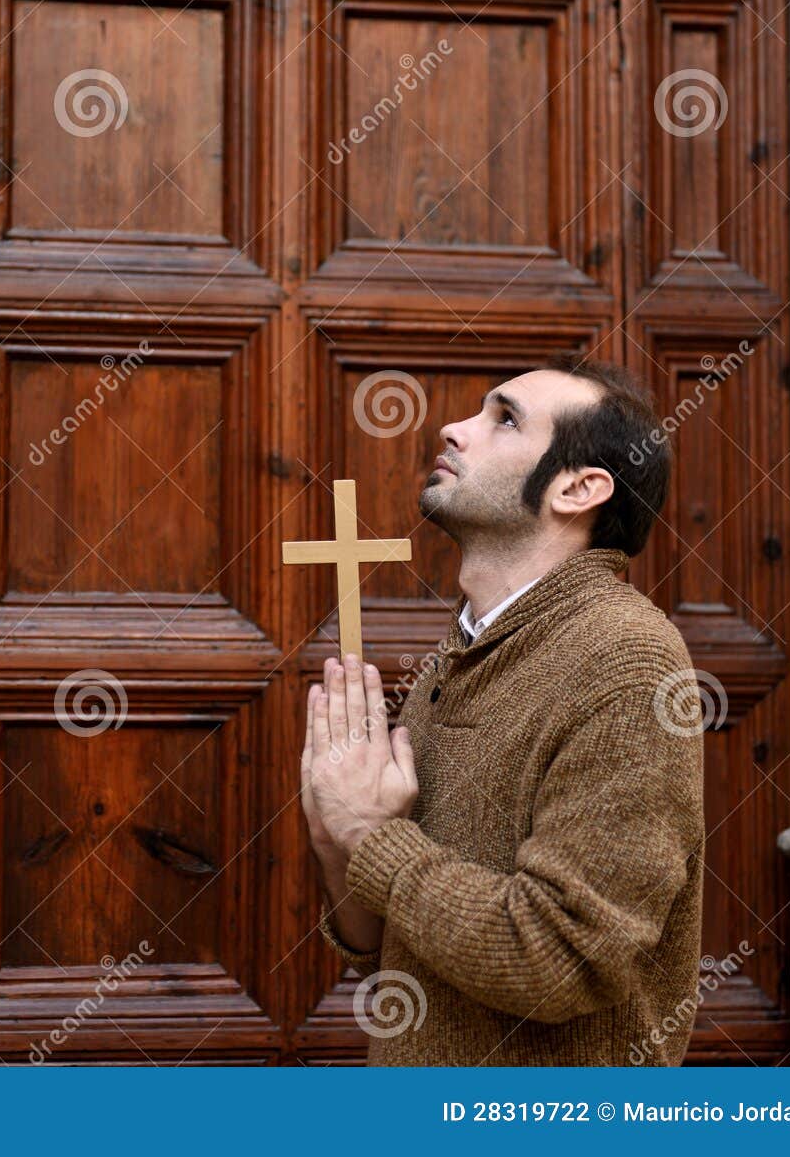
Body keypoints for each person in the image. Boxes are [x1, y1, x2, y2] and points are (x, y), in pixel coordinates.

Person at [301, 354, 706, 1065]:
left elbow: (562, 962)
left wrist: (373, 839)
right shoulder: (457, 654)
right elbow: (389, 950)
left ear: (579, 488)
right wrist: (338, 837)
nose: (455, 428)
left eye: (505, 419)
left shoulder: (626, 659)